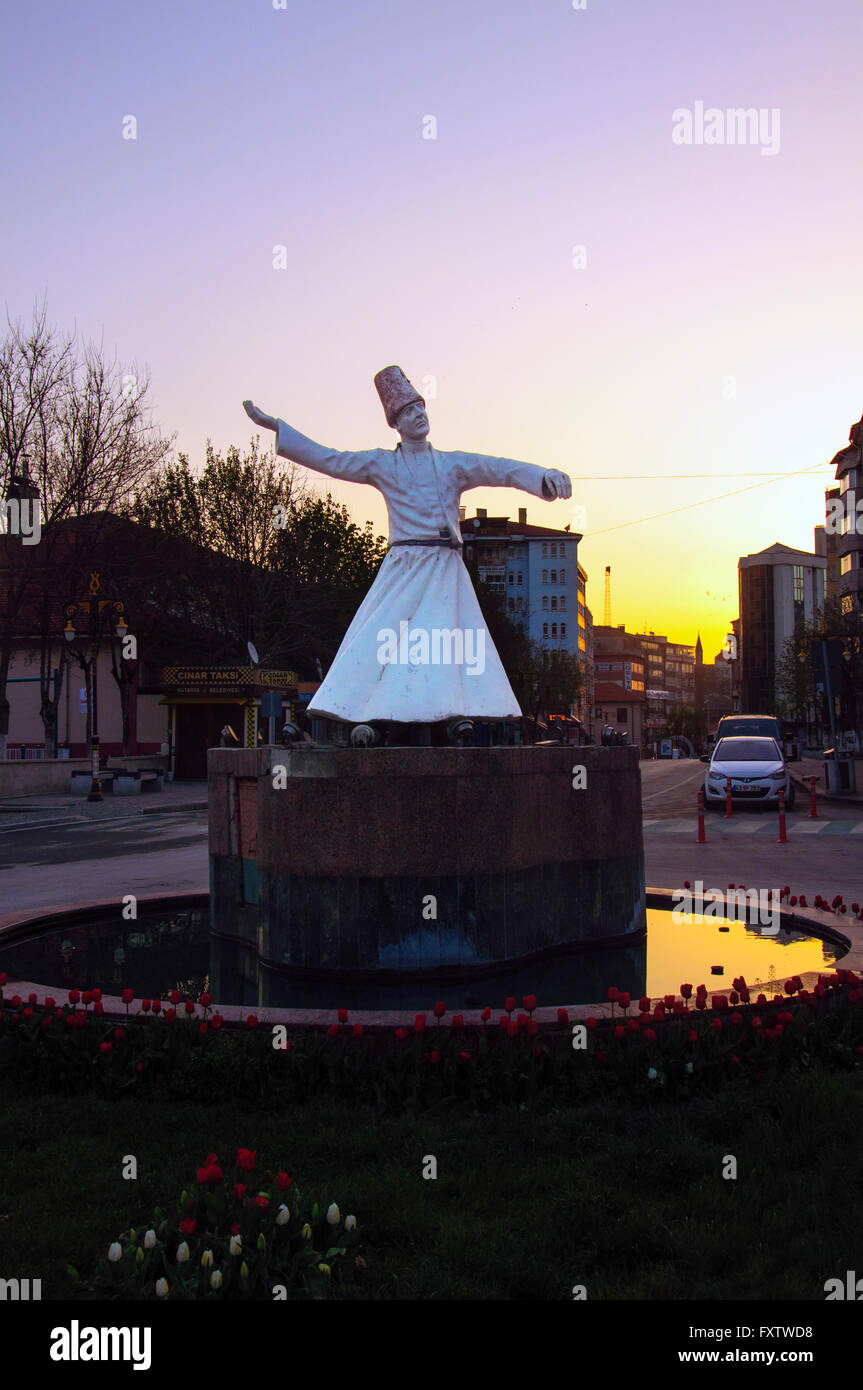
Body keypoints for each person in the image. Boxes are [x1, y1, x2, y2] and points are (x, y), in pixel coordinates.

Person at [243, 366, 572, 726]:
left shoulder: (451, 464)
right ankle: (365, 709)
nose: (419, 417)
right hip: (405, 563)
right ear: (396, 424)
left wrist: (543, 476)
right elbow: (333, 460)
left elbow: (498, 468)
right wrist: (280, 429)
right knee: (381, 638)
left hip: (445, 565)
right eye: (409, 413)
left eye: (421, 409)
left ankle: (451, 710)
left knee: (446, 638)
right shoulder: (383, 464)